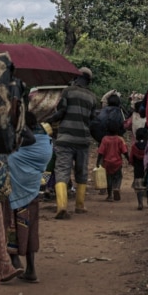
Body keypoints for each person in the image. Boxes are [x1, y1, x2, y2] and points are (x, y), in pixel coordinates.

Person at [3, 112, 51, 282]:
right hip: (32, 191)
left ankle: (14, 263)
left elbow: (10, 155)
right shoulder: (44, 140)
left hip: (14, 191)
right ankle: (30, 269)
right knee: (30, 226)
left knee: (10, 222)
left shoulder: (25, 142)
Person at [47, 67, 97, 219]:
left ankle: (62, 206)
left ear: (76, 77)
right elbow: (92, 120)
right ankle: (79, 206)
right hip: (83, 139)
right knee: (81, 171)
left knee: (62, 170)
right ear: (89, 81)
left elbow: (61, 112)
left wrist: (48, 119)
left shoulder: (67, 91)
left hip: (65, 139)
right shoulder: (92, 97)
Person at [95, 129, 128, 202]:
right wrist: (129, 159)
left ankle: (110, 195)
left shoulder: (105, 139)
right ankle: (117, 187)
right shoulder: (119, 139)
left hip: (107, 163)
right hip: (117, 162)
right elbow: (125, 151)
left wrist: (98, 162)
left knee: (108, 179)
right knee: (119, 177)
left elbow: (101, 152)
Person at [128, 127, 148, 210]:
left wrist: (133, 164)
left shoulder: (134, 147)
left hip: (137, 170)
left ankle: (140, 203)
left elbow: (131, 159)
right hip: (147, 169)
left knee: (139, 188)